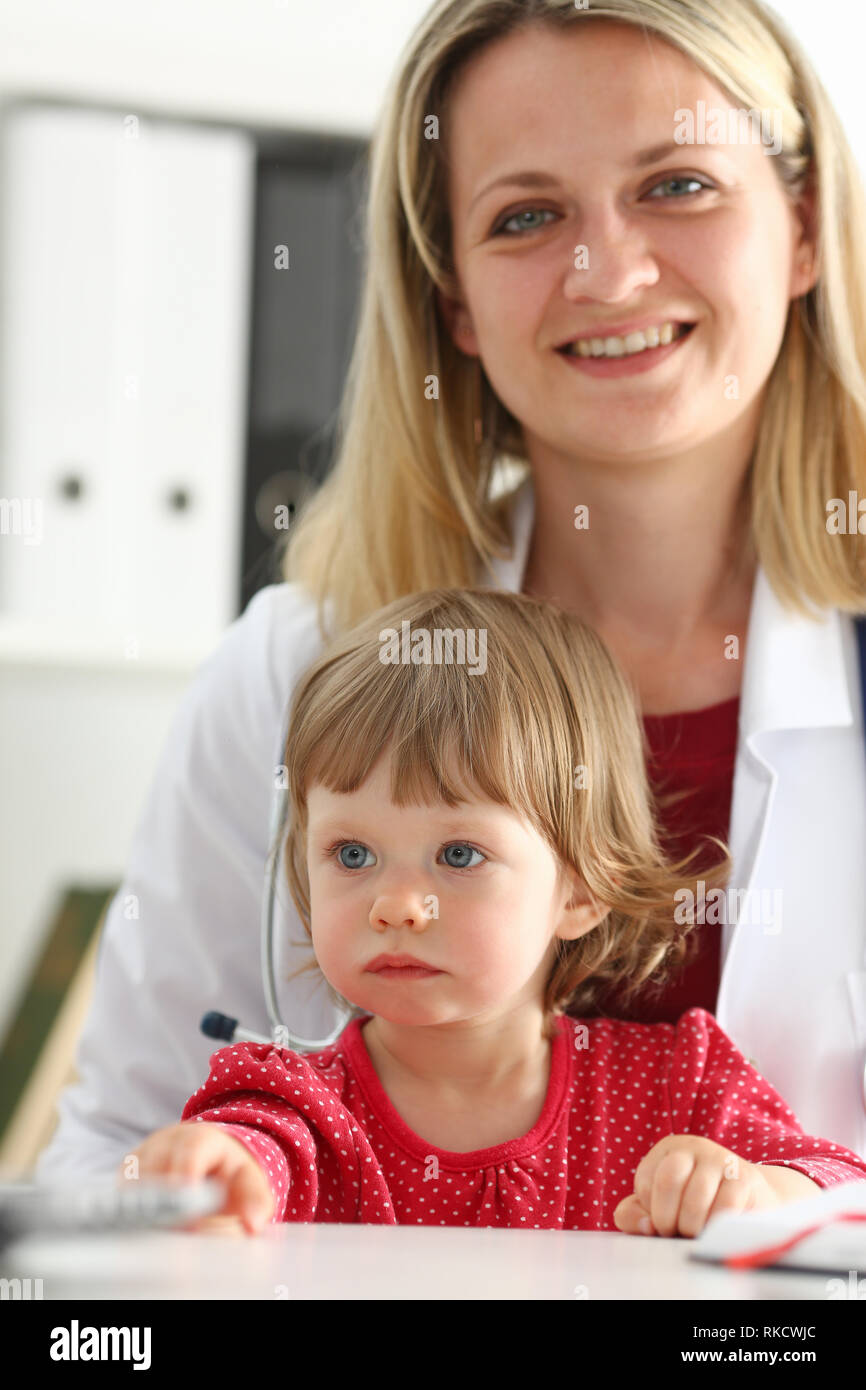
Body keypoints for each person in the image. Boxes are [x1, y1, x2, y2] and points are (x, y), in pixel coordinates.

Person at [37, 0, 866, 1182]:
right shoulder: (294, 665)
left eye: (676, 185)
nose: (610, 270)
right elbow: (117, 1145)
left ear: (801, 226)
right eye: (525, 215)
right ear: (454, 303)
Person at [124, 589, 866, 1235]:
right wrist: (210, 1169)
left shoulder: (674, 1086)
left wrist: (758, 1191)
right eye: (352, 855)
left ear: (578, 889)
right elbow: (245, 1154)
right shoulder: (294, 1107)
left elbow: (841, 1184)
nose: (395, 905)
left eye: (458, 856)